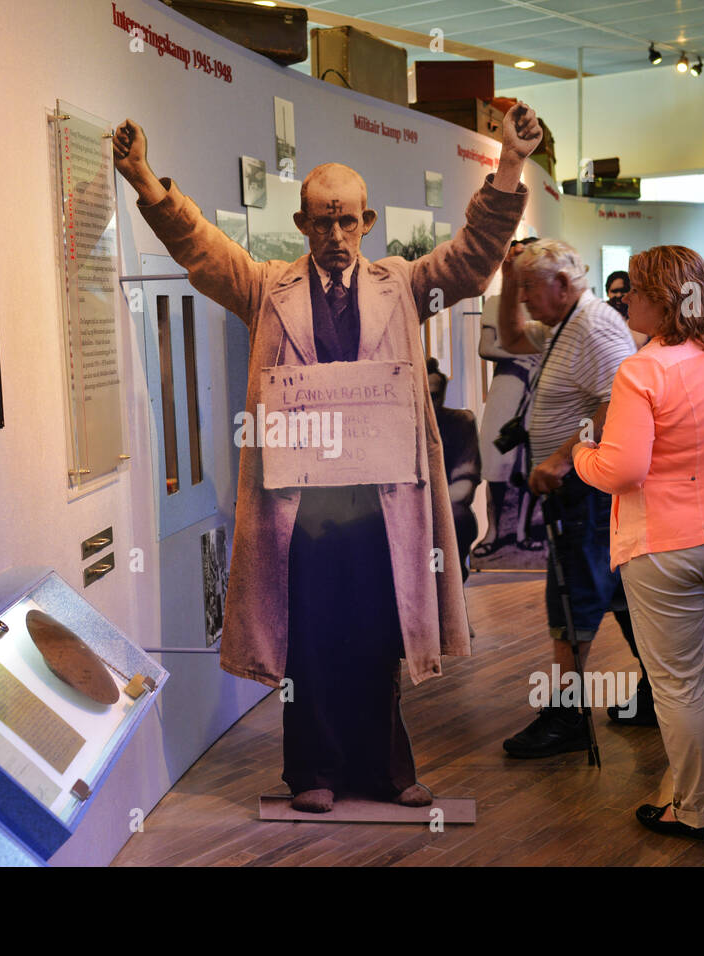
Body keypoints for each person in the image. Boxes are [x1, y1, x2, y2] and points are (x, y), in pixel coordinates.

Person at [111, 106, 543, 813]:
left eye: (346, 222)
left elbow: (473, 256)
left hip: (380, 504)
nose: (335, 236)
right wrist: (144, 181)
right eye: (321, 222)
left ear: (367, 222)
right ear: (302, 224)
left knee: (379, 633)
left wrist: (512, 164)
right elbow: (202, 250)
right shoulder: (266, 288)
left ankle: (386, 770)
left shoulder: (404, 284)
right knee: (308, 635)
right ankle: (310, 770)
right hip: (300, 510)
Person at [572, 245, 704, 842]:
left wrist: (582, 454)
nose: (624, 300)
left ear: (661, 300)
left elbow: (622, 470)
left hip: (668, 547)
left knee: (679, 685)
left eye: (632, 291)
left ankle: (689, 810)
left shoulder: (643, 369)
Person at [493, 239, 654, 759]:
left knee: (573, 595)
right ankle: (659, 693)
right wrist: (507, 277)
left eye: (528, 288)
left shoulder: (593, 326)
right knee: (619, 594)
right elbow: (511, 336)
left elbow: (622, 403)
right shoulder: (564, 324)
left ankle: (566, 717)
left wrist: (562, 458)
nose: (523, 298)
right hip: (584, 489)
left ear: (562, 284)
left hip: (586, 488)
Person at [475, 237, 543, 561]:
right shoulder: (496, 303)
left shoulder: (543, 305)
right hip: (507, 385)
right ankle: (493, 530)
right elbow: (485, 347)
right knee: (496, 459)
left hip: (538, 388)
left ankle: (522, 532)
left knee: (530, 460)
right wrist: (522, 354)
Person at [427, 358, 481, 582]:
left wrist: (426, 505)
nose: (428, 404)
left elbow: (464, 488)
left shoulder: (459, 423)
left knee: (458, 516)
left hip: (440, 506)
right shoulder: (393, 427)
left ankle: (447, 581)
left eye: (434, 396)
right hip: (402, 510)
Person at [607, 269, 649, 350]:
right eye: (614, 291)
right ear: (607, 293)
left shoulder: (642, 318)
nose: (619, 295)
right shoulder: (602, 317)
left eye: (623, 291)